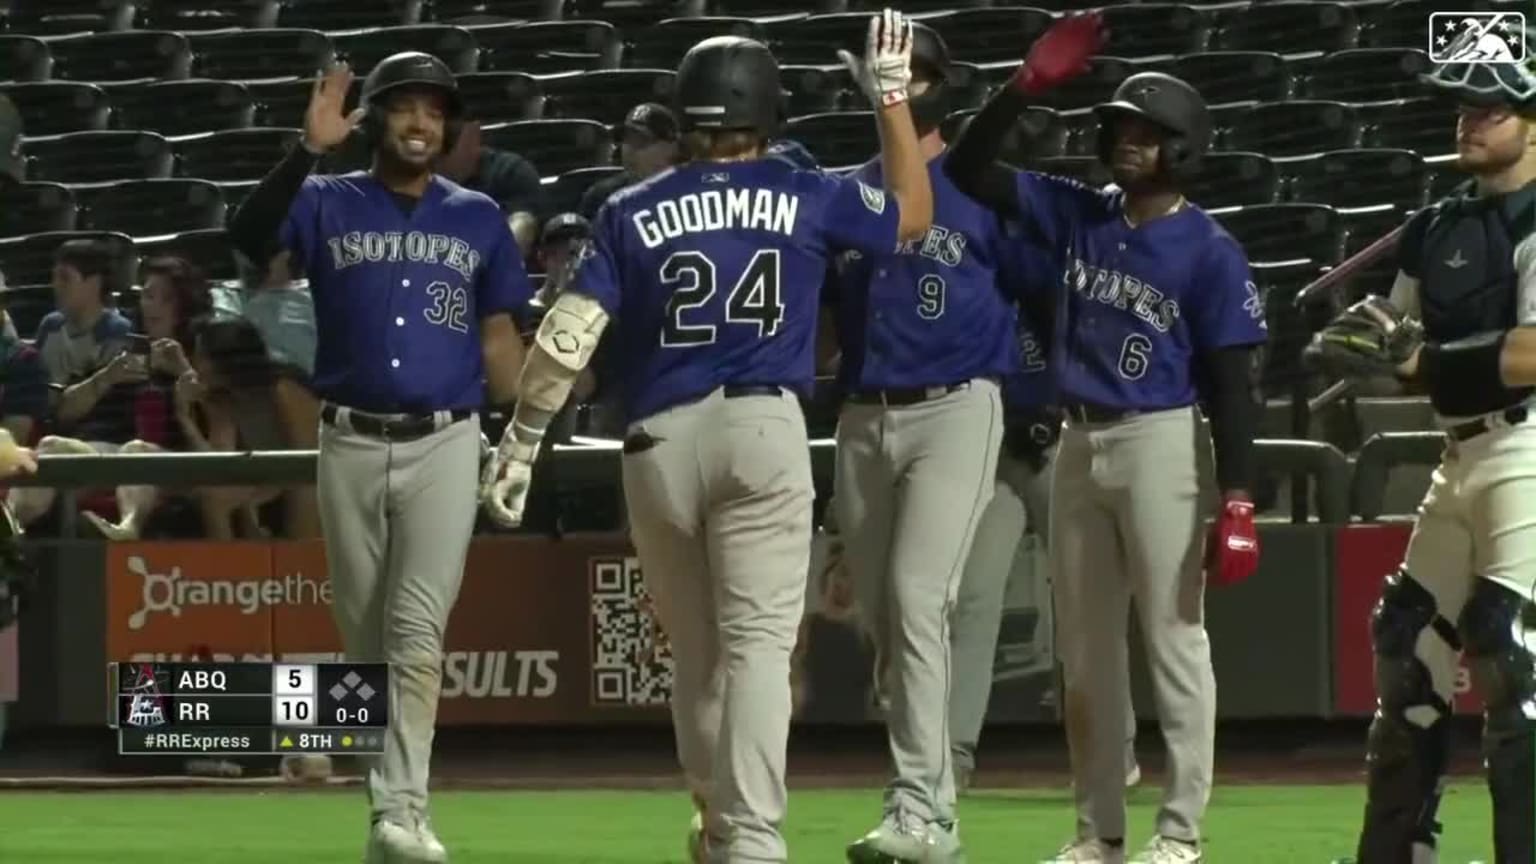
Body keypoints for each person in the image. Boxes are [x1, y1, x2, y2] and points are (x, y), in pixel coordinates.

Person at [480, 15, 932, 863]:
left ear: (686, 114)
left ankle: (714, 819)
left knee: (694, 653)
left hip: (660, 439)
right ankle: (752, 838)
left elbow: (573, 331)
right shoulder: (805, 191)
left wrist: (523, 436)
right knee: (760, 650)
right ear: (769, 110)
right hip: (763, 426)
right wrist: (894, 100)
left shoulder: (630, 207)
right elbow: (912, 214)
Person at [946, 14, 1266, 864]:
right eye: (1122, 128)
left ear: (1185, 147)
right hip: (1079, 447)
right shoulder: (1082, 214)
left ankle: (1181, 831)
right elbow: (967, 171)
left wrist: (1238, 495)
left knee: (1172, 643)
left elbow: (1234, 387)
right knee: (1085, 661)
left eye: (1149, 133)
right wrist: (1021, 88)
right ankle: (1099, 832)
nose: (1129, 142)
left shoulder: (1211, 251)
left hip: (1164, 441)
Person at [225, 52, 532, 863]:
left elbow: (501, 343)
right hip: (350, 438)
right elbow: (248, 236)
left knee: (416, 631)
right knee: (364, 637)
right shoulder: (325, 198)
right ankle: (385, 810)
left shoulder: (476, 216)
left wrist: (530, 432)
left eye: (435, 112)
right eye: (407, 108)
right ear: (377, 117)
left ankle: (403, 810)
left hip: (446, 437)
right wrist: (307, 150)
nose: (422, 123)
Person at [1307, 35, 1536, 864]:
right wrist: (1364, 350)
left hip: (1530, 445)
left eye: (1492, 107)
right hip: (1460, 452)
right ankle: (1398, 851)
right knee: (1409, 642)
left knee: (1510, 653)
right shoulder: (1435, 226)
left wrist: (1421, 361)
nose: (1471, 120)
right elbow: (1399, 346)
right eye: (1466, 105)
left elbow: (1534, 352)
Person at [823, 23, 1013, 864]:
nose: (901, 80)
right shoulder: (845, 192)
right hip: (863, 415)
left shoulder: (977, 184)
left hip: (956, 407)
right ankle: (926, 804)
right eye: (892, 72)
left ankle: (925, 811)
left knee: (917, 598)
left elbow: (1040, 296)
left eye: (918, 74)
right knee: (884, 618)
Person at [62, 256, 212, 540]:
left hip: (177, 460)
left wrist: (183, 370)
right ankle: (11, 534)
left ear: (185, 307)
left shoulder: (203, 351)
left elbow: (221, 415)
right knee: (52, 448)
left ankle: (127, 528)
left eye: (165, 298)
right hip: (110, 453)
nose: (152, 305)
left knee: (136, 453)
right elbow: (65, 410)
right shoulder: (121, 352)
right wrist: (106, 377)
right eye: (147, 295)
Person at [166, 316, 321, 539]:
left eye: (201, 356)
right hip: (264, 481)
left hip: (311, 482)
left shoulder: (285, 389)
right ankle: (231, 570)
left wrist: (299, 546)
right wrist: (184, 416)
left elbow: (309, 468)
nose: (196, 363)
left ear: (225, 360)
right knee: (214, 496)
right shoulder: (225, 398)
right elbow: (220, 461)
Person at [437, 119, 545, 255]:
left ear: (474, 135)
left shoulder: (510, 173)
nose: (440, 152)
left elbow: (522, 228)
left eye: (449, 140)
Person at [577, 102, 681, 219]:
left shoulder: (688, 196)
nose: (629, 149)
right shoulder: (601, 198)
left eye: (641, 141)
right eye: (626, 139)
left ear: (670, 148)